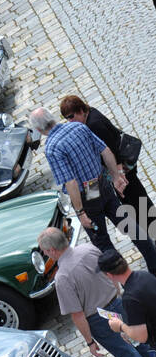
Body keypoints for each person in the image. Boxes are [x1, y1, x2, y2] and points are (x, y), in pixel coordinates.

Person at [36, 227, 156, 357]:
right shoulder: (88, 249)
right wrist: (116, 294)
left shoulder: (63, 277)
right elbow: (111, 274)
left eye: (44, 250)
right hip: (118, 303)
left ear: (52, 250)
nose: (44, 253)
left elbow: (77, 314)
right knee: (143, 345)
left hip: (100, 319)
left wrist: (90, 341)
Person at [31, 106, 155, 271]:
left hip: (88, 194)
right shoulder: (78, 126)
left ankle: (126, 278)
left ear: (39, 130)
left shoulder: (53, 148)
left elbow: (71, 182)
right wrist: (116, 176)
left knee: (103, 242)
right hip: (101, 183)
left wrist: (81, 213)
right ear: (53, 117)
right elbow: (105, 151)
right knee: (130, 226)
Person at [60, 95, 155, 257]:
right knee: (135, 201)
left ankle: (149, 236)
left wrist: (117, 174)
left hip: (118, 174)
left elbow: (110, 148)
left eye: (71, 116)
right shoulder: (89, 117)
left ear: (81, 110)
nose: (70, 121)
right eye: (66, 118)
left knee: (136, 202)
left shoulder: (93, 124)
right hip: (110, 176)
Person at [100, 250, 156, 357]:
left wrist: (121, 326)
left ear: (109, 275)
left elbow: (141, 336)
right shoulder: (144, 275)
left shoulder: (130, 298)